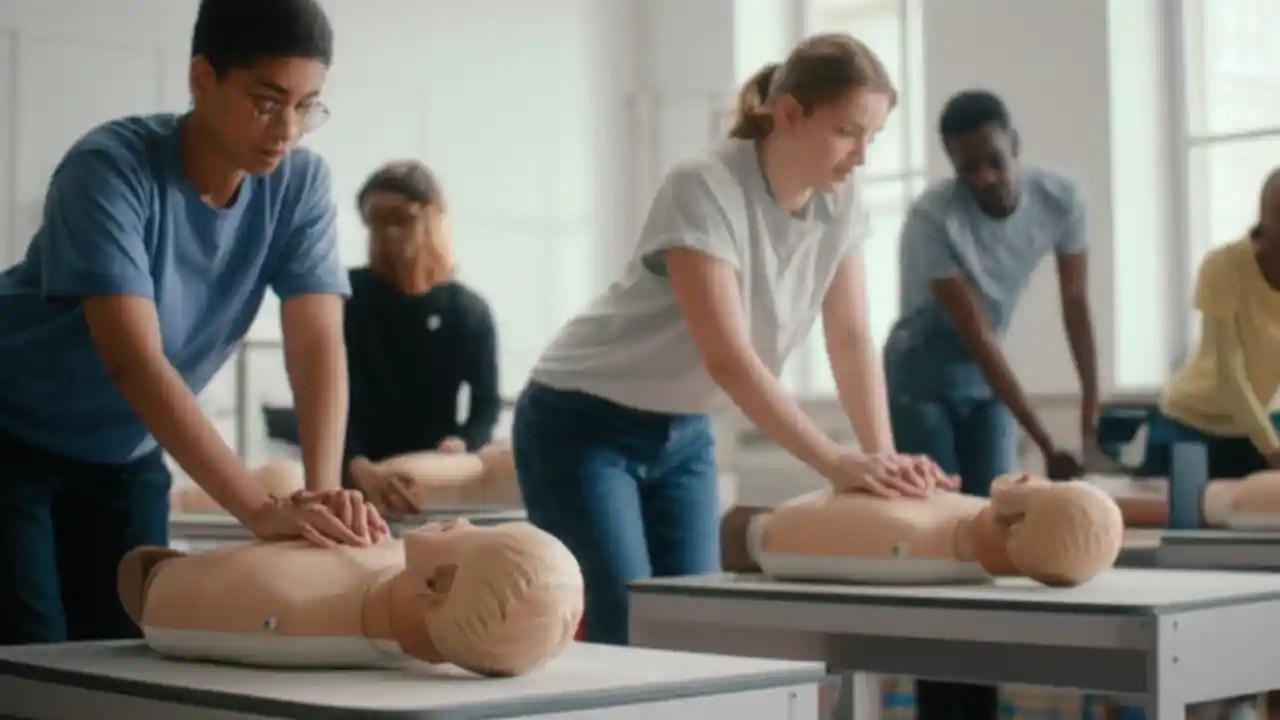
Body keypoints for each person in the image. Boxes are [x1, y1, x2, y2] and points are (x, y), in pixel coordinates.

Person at [511, 33, 953, 646]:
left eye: (873, 137)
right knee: (625, 626)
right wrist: (835, 462)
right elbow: (728, 359)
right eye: (849, 132)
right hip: (581, 421)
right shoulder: (704, 184)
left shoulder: (840, 200)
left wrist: (881, 459)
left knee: (695, 633)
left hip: (686, 433)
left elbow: (850, 336)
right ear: (790, 112)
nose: (862, 157)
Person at [0, 0, 385, 647]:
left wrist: (323, 499)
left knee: (131, 654)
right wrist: (260, 510)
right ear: (202, 79)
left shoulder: (300, 185)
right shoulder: (109, 169)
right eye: (267, 101)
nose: (286, 129)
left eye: (306, 105)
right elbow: (135, 361)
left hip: (124, 455)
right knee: (30, 655)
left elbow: (317, 344)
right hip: (12, 435)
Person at [881, 89, 1101, 720]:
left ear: (1016, 147)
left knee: (1000, 532)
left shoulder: (1062, 196)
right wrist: (1044, 439)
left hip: (986, 378)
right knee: (942, 533)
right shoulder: (933, 220)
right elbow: (976, 336)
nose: (984, 178)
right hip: (922, 371)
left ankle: (982, 700)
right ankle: (943, 708)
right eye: (967, 168)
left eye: (994, 162)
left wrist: (1087, 417)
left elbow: (1077, 306)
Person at [342, 159, 500, 483]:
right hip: (355, 471)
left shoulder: (467, 311)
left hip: (431, 473)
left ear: (431, 220)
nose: (388, 233)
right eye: (376, 221)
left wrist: (465, 442)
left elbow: (486, 403)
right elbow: (324, 395)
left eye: (401, 220)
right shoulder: (346, 298)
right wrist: (356, 464)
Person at [1148, 169, 1280, 479]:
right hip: (1190, 423)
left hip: (1259, 421)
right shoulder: (1223, 266)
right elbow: (1229, 372)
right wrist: (1272, 449)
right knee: (1183, 518)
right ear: (1265, 217)